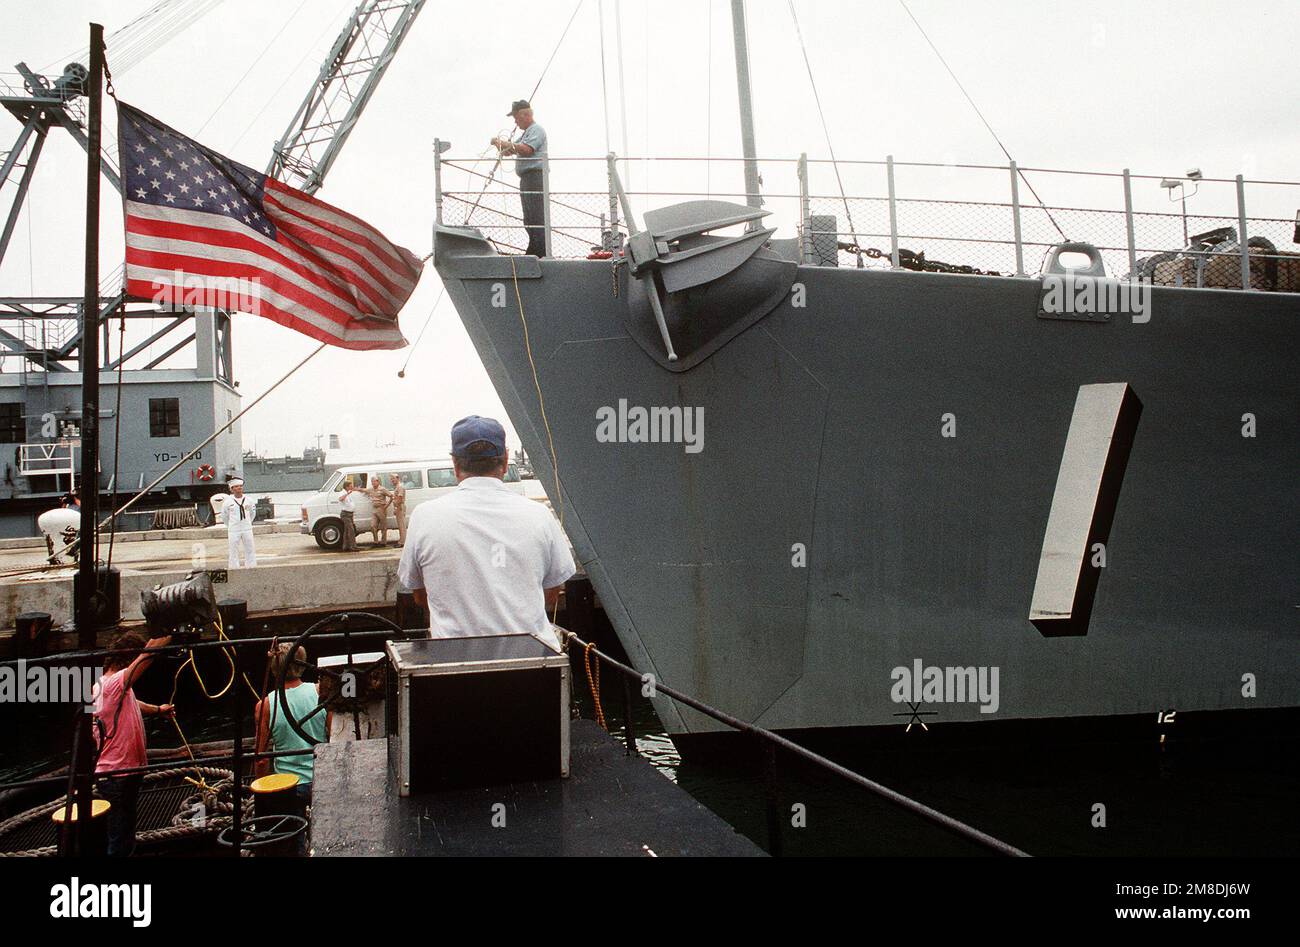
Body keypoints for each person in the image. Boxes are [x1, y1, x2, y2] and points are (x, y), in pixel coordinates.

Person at [398, 415, 575, 650]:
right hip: (533, 666)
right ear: (504, 462)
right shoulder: (539, 515)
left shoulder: (424, 516)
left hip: (452, 665)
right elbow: (552, 592)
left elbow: (419, 594)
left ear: (455, 465)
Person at [92, 630, 174, 856]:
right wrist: (167, 632)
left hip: (124, 770)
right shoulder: (113, 683)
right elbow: (145, 658)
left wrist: (158, 710)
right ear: (127, 659)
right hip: (118, 772)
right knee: (120, 835)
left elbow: (133, 702)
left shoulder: (104, 687)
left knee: (125, 830)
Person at [254, 643, 328, 801]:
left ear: (274, 667)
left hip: (288, 787)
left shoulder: (265, 705)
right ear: (302, 664)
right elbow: (336, 737)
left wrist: (260, 795)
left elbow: (261, 760)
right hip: (322, 779)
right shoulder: (321, 693)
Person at [491, 99, 548, 258]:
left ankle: (539, 251)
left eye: (516, 117)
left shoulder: (536, 130)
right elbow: (510, 150)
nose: (515, 121)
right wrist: (500, 145)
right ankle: (534, 248)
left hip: (535, 177)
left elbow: (527, 150)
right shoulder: (526, 133)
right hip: (527, 178)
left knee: (536, 216)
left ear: (525, 115)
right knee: (529, 217)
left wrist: (505, 143)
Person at [221, 478, 258, 568]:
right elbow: (225, 516)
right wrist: (230, 525)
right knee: (233, 549)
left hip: (247, 528)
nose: (239, 488)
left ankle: (251, 566)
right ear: (232, 489)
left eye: (240, 486)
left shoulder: (249, 500)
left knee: (250, 548)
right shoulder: (227, 502)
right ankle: (234, 567)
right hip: (234, 529)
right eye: (236, 486)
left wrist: (248, 523)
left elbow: (252, 513)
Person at [365, 475, 392, 546]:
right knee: (373, 526)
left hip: (381, 508)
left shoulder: (382, 489)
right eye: (372, 482)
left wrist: (386, 506)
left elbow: (391, 496)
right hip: (374, 509)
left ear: (377, 481)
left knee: (383, 526)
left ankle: (383, 542)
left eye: (374, 481)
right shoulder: (371, 489)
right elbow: (364, 490)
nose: (373, 483)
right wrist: (356, 489)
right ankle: (376, 541)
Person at [337, 479, 360, 552]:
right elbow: (340, 499)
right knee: (351, 530)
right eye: (350, 486)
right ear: (346, 487)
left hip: (350, 514)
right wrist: (347, 494)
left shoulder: (348, 493)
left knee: (347, 531)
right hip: (345, 514)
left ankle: (345, 546)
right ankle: (353, 546)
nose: (351, 487)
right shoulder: (343, 493)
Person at [388, 473, 407, 547]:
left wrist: (396, 508)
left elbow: (399, 498)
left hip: (400, 507)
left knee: (402, 525)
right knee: (400, 525)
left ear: (397, 478)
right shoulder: (397, 487)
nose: (392, 480)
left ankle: (403, 542)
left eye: (393, 479)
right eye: (391, 479)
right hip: (398, 507)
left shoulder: (400, 487)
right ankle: (402, 540)